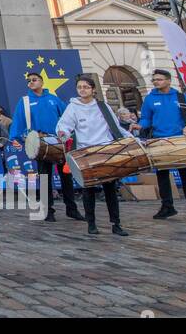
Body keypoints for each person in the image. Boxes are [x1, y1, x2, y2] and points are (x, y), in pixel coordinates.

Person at [56, 75, 131, 237]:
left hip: (105, 150)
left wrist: (132, 139)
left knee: (110, 189)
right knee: (88, 189)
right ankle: (91, 223)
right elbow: (64, 124)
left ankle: (116, 223)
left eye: (86, 87)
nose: (82, 90)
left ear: (93, 89)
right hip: (85, 152)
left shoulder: (103, 106)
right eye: (79, 87)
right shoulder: (73, 107)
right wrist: (63, 132)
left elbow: (115, 127)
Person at [9, 72, 81, 222]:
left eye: (34, 80)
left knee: (66, 175)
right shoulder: (25, 101)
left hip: (58, 142)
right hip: (40, 143)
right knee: (44, 177)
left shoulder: (53, 99)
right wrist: (14, 138)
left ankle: (71, 209)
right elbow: (18, 120)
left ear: (42, 82)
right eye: (29, 81)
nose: (31, 82)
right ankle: (48, 210)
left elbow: (67, 115)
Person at [138, 68, 186, 223]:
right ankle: (167, 207)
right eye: (154, 79)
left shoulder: (182, 98)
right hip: (159, 142)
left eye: (159, 79)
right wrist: (139, 126)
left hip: (181, 142)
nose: (156, 82)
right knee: (162, 177)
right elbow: (146, 119)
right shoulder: (149, 99)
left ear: (168, 81)